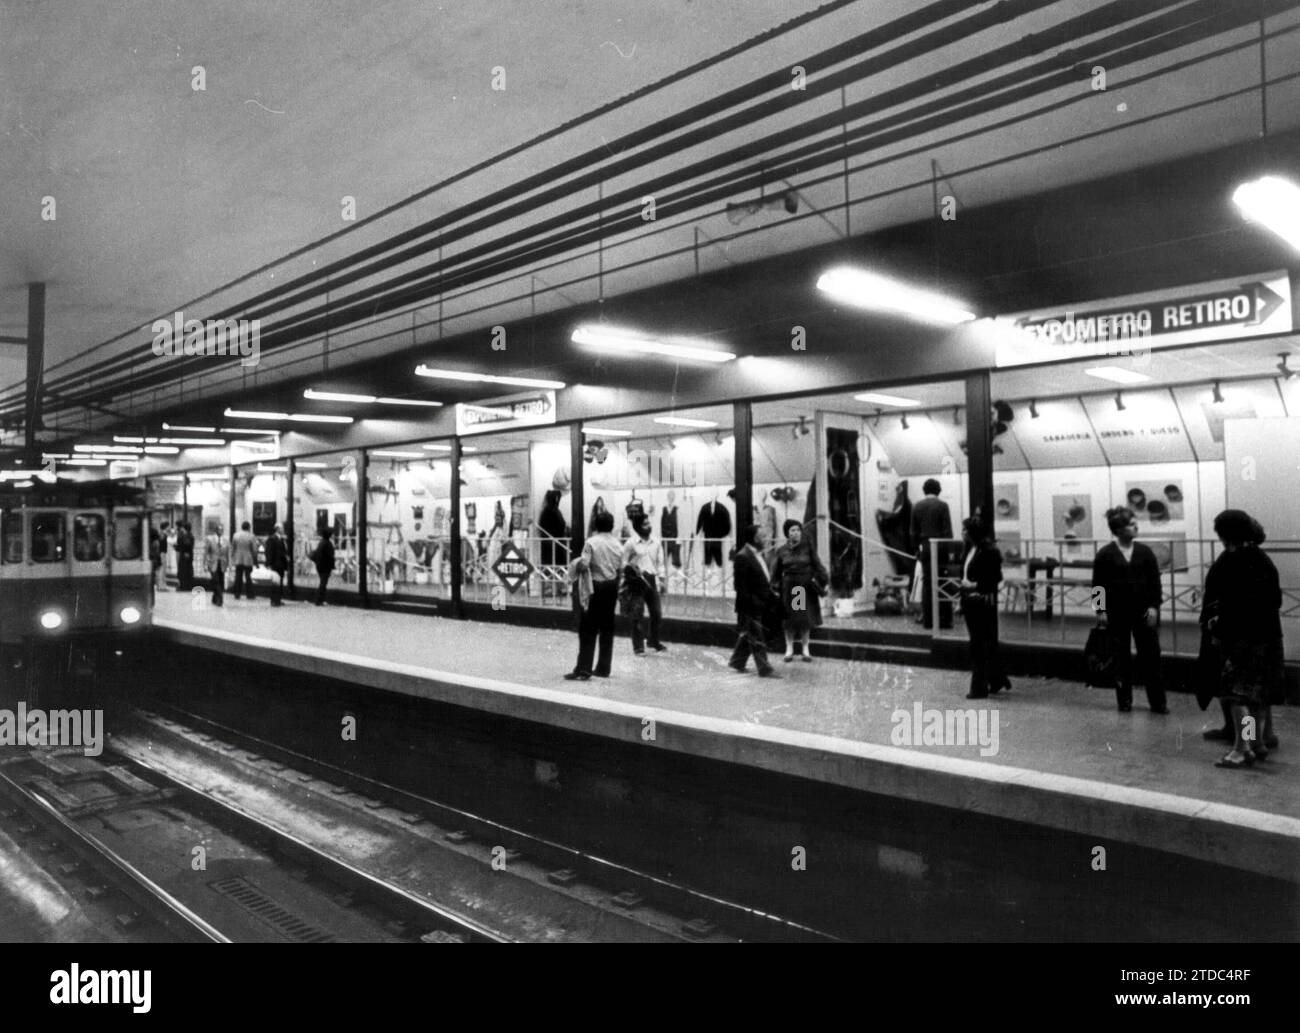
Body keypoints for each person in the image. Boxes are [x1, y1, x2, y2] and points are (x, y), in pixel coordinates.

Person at [1200, 510, 1283, 768]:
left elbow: (1230, 604)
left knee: (1237, 697)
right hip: (1266, 637)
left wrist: (1217, 625)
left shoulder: (1233, 561)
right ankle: (1255, 742)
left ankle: (1241, 748)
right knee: (1254, 696)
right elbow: (1275, 600)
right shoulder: (1262, 559)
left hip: (1241, 639)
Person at [1091, 506, 1168, 714]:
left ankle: (1158, 702)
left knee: (1151, 656)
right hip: (1117, 613)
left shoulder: (1144, 552)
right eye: (1130, 524)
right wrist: (1100, 611)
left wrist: (1154, 606)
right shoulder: (1105, 554)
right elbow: (1098, 585)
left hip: (1143, 611)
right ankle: (1124, 701)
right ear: (1119, 529)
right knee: (1121, 658)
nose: (1136, 526)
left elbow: (1155, 582)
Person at [565, 510, 622, 681]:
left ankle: (584, 668)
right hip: (612, 587)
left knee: (588, 628)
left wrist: (574, 564)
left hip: (595, 588)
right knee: (607, 628)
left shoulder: (591, 543)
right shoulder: (618, 544)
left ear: (596, 525)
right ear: (612, 526)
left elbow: (584, 564)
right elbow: (620, 568)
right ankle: (604, 668)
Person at [959, 517, 1011, 699]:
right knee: (984, 642)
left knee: (979, 644)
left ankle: (979, 686)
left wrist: (973, 585)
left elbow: (994, 578)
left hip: (982, 601)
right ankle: (996, 678)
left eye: (965, 530)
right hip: (971, 601)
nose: (962, 533)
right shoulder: (969, 550)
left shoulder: (988, 552)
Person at [769, 519, 829, 662]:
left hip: (801, 588)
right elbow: (775, 572)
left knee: (803, 618)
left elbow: (817, 564)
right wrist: (775, 588)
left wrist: (824, 580)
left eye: (798, 530)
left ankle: (805, 649)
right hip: (789, 587)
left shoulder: (808, 548)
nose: (796, 533)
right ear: (787, 534)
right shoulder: (781, 551)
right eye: (792, 530)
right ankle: (789, 649)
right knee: (788, 620)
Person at [728, 523, 780, 678]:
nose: (765, 539)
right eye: (762, 536)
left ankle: (737, 661)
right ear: (754, 539)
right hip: (750, 605)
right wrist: (753, 603)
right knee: (757, 636)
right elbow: (740, 586)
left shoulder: (758, 554)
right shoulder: (743, 556)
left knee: (750, 633)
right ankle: (765, 669)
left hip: (761, 602)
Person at [911, 479, 953, 629]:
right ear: (938, 490)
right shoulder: (942, 506)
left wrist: (917, 550)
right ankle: (945, 620)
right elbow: (947, 531)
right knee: (943, 581)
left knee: (927, 583)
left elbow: (913, 533)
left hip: (925, 548)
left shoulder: (917, 507)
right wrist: (949, 551)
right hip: (940, 548)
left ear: (924, 490)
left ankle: (928, 620)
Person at [621, 515, 665, 656]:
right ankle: (638, 647)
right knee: (637, 615)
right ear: (638, 527)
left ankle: (653, 641)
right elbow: (623, 562)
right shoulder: (630, 544)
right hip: (637, 582)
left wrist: (662, 580)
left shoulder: (656, 542)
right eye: (645, 524)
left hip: (651, 580)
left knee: (657, 613)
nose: (648, 526)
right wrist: (631, 570)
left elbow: (661, 563)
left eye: (648, 523)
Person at [537, 490, 569, 598]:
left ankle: (559, 588)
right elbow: (545, 529)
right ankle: (549, 589)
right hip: (551, 545)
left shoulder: (555, 510)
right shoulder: (548, 511)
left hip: (558, 544)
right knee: (551, 566)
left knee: (558, 567)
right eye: (555, 498)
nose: (557, 500)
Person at [231, 521, 258, 600]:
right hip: (248, 559)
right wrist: (255, 559)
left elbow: (233, 548)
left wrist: (232, 557)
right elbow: (254, 550)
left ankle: (237, 594)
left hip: (238, 558)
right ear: (249, 527)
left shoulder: (235, 535)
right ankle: (249, 594)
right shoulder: (251, 536)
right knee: (248, 577)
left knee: (238, 577)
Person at [264, 524, 289, 607]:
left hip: (281, 564)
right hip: (275, 564)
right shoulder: (272, 539)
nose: (283, 530)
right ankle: (274, 600)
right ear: (277, 529)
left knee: (279, 582)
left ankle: (278, 599)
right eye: (281, 528)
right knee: (275, 582)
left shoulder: (281, 539)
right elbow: (269, 552)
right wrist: (269, 563)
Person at [203, 523, 227, 607]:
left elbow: (228, 552)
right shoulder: (210, 539)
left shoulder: (226, 540)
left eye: (221, 530)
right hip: (213, 563)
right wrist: (205, 564)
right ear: (216, 531)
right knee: (215, 580)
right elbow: (206, 552)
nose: (220, 531)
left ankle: (215, 596)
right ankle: (220, 598)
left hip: (223, 564)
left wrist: (230, 564)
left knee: (221, 581)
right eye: (219, 529)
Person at [312, 527, 336, 606]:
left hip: (320, 565)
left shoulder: (321, 542)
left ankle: (320, 599)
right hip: (325, 566)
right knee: (323, 583)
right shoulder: (328, 544)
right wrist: (332, 566)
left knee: (323, 582)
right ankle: (319, 600)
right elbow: (330, 556)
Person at [176, 522, 195, 591]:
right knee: (187, 570)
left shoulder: (186, 536)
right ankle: (187, 585)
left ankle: (185, 586)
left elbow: (186, 545)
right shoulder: (190, 535)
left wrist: (184, 551)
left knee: (184, 570)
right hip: (188, 555)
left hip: (185, 555)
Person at [148, 526, 162, 604]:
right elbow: (157, 553)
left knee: (152, 580)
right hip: (155, 561)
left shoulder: (151, 542)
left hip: (152, 561)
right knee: (153, 579)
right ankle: (152, 599)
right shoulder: (156, 542)